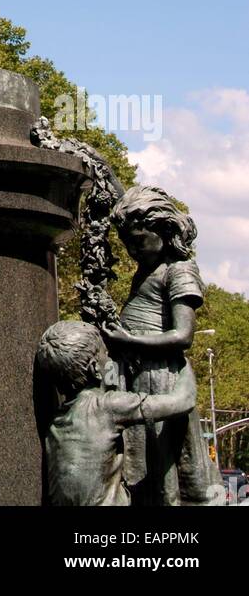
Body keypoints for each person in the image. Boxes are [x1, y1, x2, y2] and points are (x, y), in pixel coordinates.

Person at [102, 185, 222, 505]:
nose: (132, 251)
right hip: (136, 376)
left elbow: (183, 336)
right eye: (127, 244)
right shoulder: (145, 271)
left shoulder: (179, 270)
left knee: (163, 468)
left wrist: (129, 339)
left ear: (164, 230)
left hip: (163, 381)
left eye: (138, 241)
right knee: (139, 465)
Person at [36, 319, 196, 506]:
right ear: (95, 368)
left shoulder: (54, 422)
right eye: (105, 353)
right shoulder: (108, 405)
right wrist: (182, 363)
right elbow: (183, 401)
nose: (110, 359)